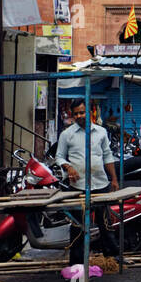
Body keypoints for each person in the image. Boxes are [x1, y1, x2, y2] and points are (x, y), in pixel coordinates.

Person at [55, 100, 120, 264]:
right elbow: (59, 156)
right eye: (76, 113)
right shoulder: (66, 134)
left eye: (82, 112)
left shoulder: (101, 132)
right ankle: (77, 262)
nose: (79, 116)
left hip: (100, 183)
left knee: (105, 222)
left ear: (89, 112)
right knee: (77, 225)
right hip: (77, 187)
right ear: (72, 115)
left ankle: (112, 257)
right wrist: (68, 167)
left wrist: (114, 179)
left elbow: (107, 156)